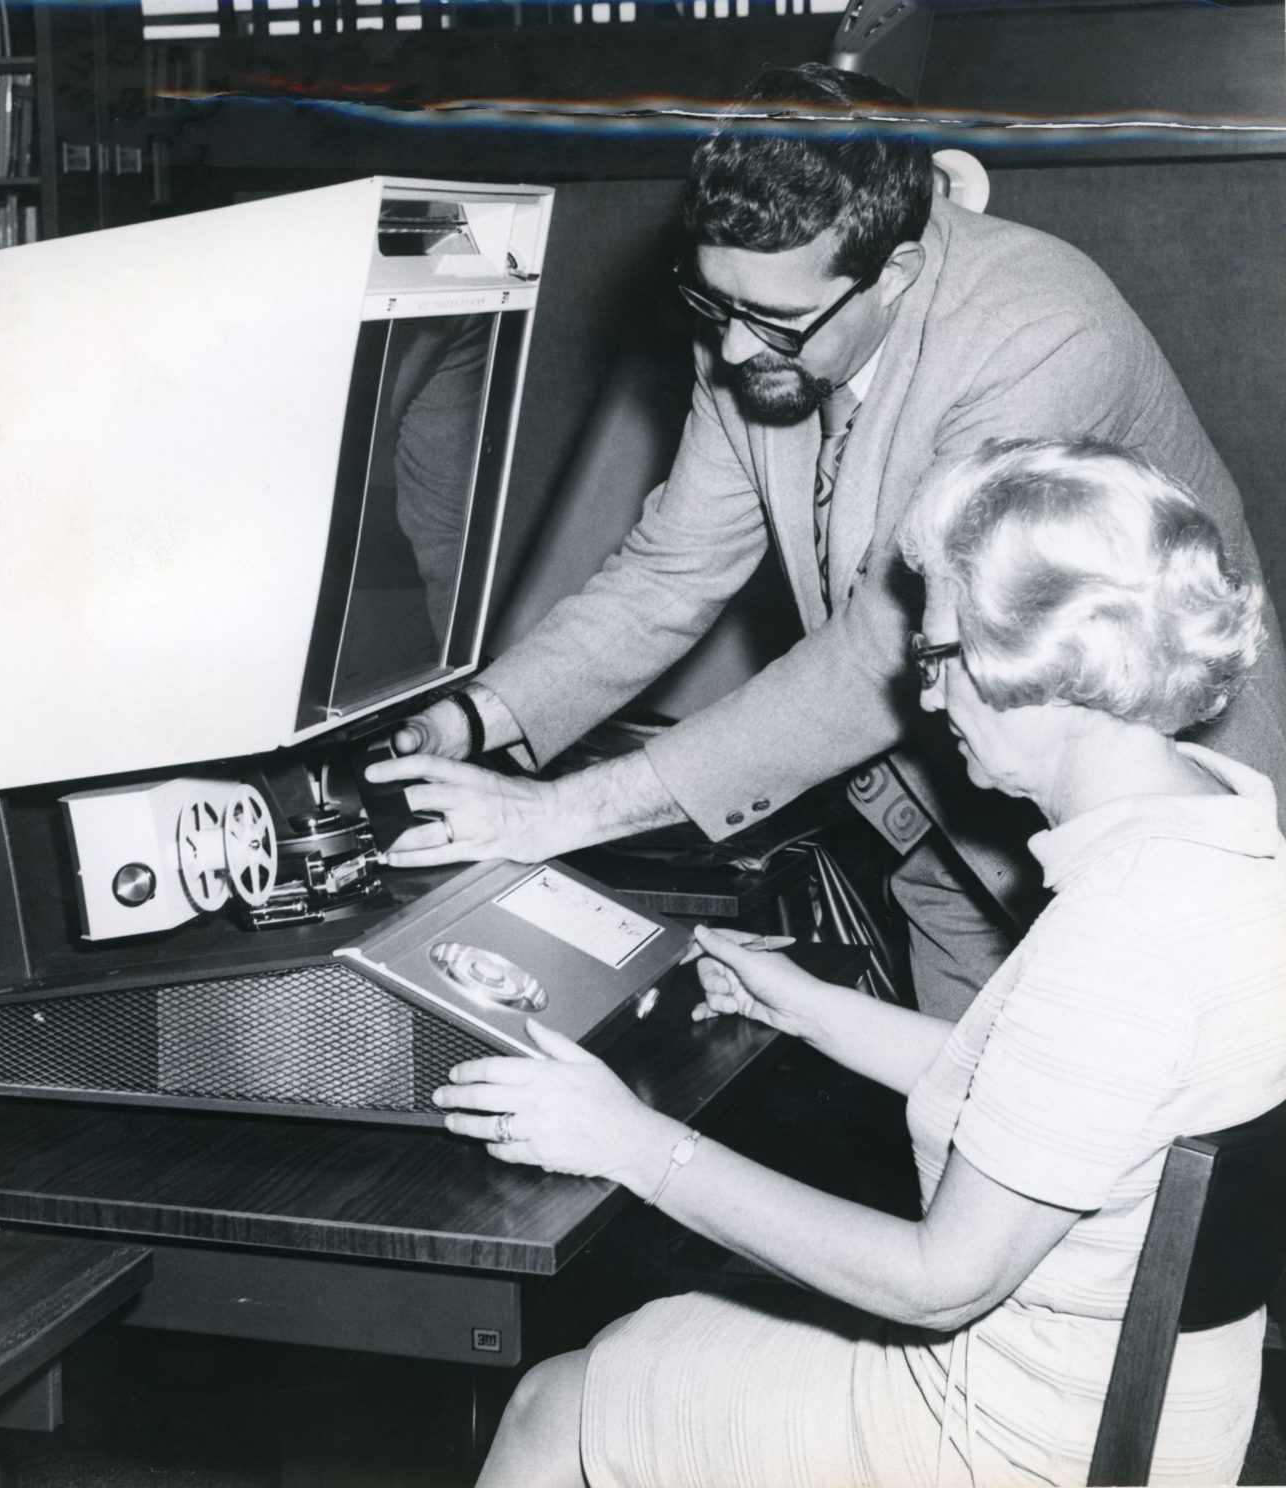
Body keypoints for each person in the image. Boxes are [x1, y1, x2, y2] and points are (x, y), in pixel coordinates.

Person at [433, 439, 1286, 1488]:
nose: (925, 699)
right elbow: (1051, 1100)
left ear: (1036, 661)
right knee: (663, 1336)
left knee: (561, 1399)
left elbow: (937, 1284)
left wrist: (625, 1140)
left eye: (936, 657)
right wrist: (808, 1008)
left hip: (1017, 1441)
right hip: (1161, 1403)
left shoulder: (1118, 935)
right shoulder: (1220, 831)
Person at [364, 62, 1286, 1020]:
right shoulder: (752, 319)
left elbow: (879, 652)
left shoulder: (1043, 337)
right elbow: (671, 571)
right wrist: (477, 719)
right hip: (955, 816)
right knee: (949, 1134)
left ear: (894, 273)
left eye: (776, 322)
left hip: (1147, 840)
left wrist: (557, 814)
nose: (731, 354)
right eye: (713, 305)